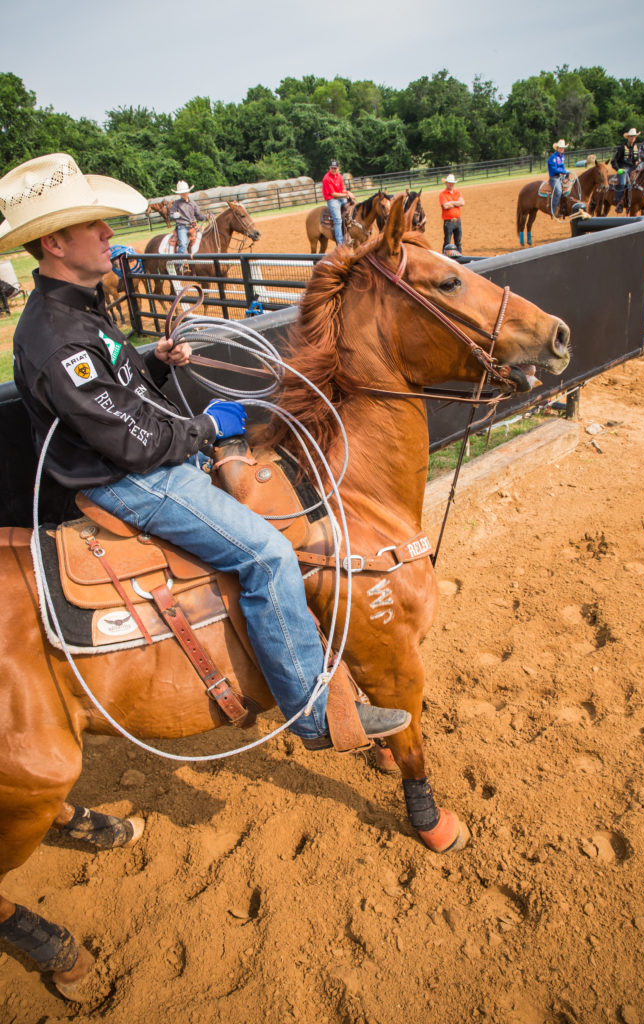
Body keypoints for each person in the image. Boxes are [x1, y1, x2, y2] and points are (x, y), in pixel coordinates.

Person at [0, 152, 410, 752]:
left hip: (134, 461)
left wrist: (154, 365)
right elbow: (130, 443)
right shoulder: (57, 337)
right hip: (130, 480)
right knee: (268, 555)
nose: (109, 232)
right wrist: (207, 427)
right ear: (55, 243)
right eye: (94, 225)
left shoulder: (78, 310)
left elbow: (110, 396)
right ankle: (316, 715)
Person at [169, 179, 209, 254]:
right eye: (182, 193)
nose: (184, 194)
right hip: (182, 227)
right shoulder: (176, 203)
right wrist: (175, 215)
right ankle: (179, 261)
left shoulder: (193, 203)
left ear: (188, 192)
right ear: (179, 194)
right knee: (183, 244)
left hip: (193, 227)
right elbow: (171, 216)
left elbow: (198, 216)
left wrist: (206, 217)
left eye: (185, 192)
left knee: (205, 239)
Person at [321, 160, 355, 247]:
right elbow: (333, 194)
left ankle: (350, 232)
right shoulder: (326, 179)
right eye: (332, 168)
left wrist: (348, 192)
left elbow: (342, 189)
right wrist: (346, 195)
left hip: (340, 198)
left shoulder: (339, 176)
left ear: (338, 168)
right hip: (332, 199)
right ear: (329, 168)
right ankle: (340, 243)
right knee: (338, 220)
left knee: (351, 206)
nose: (334, 169)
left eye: (335, 168)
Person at [611, 128, 640, 213]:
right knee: (622, 183)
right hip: (623, 169)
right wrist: (618, 169)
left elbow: (637, 159)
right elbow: (614, 160)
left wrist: (638, 162)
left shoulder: (637, 147)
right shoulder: (622, 148)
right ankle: (619, 203)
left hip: (633, 169)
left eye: (634, 136)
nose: (632, 138)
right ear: (628, 137)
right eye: (631, 136)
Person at [439, 174, 465, 253]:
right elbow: (445, 206)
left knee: (458, 242)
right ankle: (444, 257)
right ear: (446, 183)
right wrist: (456, 203)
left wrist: (451, 202)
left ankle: (460, 256)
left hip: (457, 221)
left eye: (452, 183)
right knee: (447, 242)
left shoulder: (458, 192)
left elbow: (462, 203)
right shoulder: (442, 194)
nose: (451, 184)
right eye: (449, 183)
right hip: (448, 222)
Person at [547, 139, 569, 218]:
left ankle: (563, 209)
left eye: (563, 147)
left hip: (560, 177)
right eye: (560, 147)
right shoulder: (553, 158)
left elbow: (562, 166)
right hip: (554, 178)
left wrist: (566, 175)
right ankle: (552, 210)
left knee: (568, 189)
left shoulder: (562, 156)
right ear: (557, 148)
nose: (562, 149)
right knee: (559, 192)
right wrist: (564, 171)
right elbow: (554, 169)